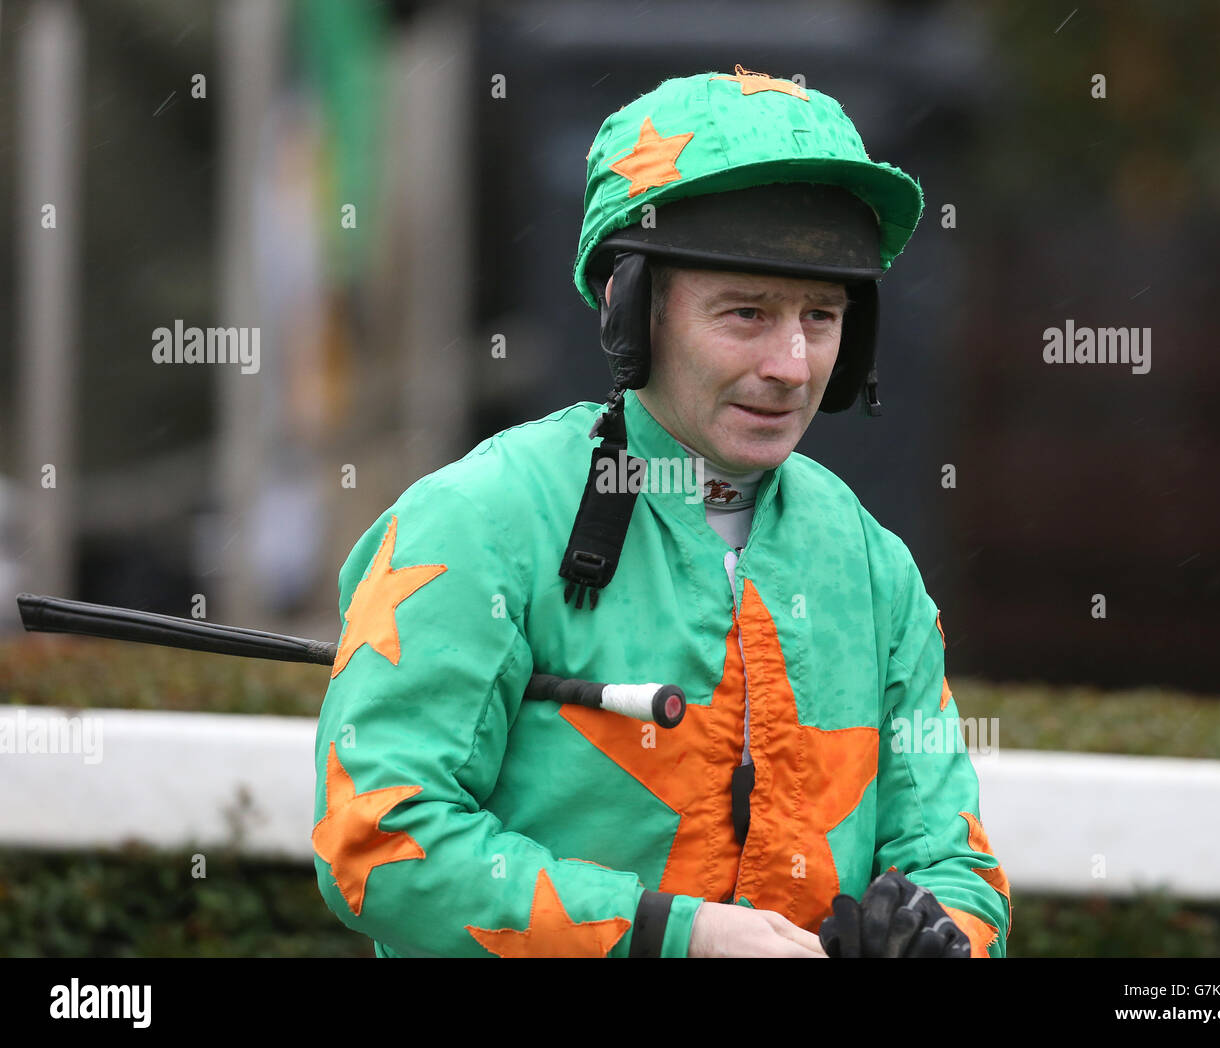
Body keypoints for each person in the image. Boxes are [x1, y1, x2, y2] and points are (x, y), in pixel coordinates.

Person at [311, 66, 1011, 958]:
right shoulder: (479, 522)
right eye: (747, 313)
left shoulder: (874, 567)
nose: (792, 365)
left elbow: (954, 860)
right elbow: (378, 841)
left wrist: (939, 938)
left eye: (823, 317)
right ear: (630, 312)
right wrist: (674, 937)